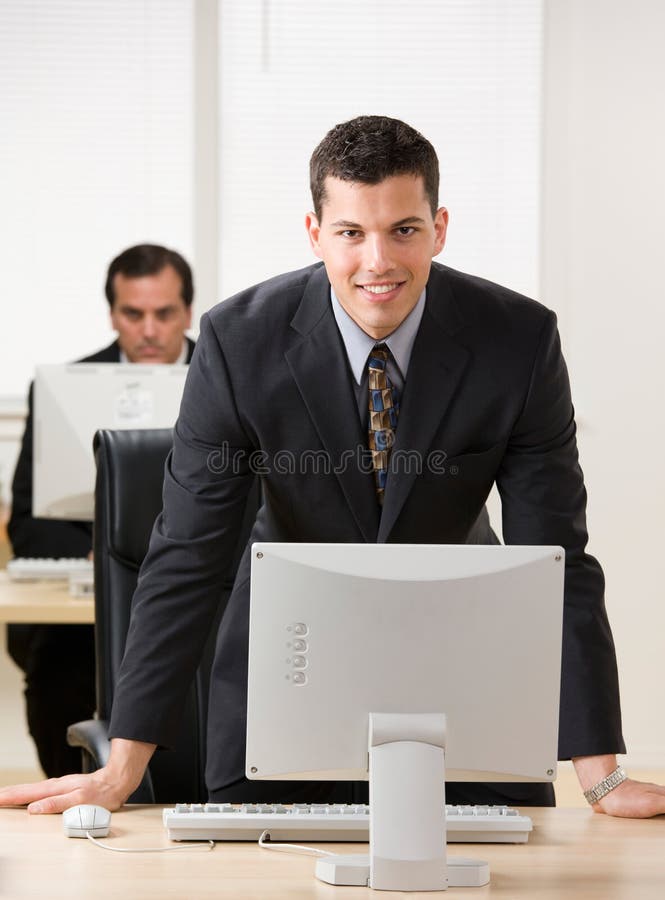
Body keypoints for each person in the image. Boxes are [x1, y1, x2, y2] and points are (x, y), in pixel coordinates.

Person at [2, 117, 665, 818]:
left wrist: (600, 774)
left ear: (438, 228)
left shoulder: (516, 340)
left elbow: (554, 558)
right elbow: (188, 557)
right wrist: (121, 765)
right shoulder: (240, 342)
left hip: (464, 680)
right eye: (350, 232)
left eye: (403, 229)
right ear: (315, 233)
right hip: (287, 685)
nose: (377, 260)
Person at [6, 243, 196, 778]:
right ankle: (72, 786)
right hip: (87, 599)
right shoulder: (60, 389)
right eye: (133, 314)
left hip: (198, 579)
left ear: (187, 311)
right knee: (59, 664)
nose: (150, 330)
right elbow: (27, 521)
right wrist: (95, 556)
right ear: (112, 313)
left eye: (164, 314)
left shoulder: (225, 378)